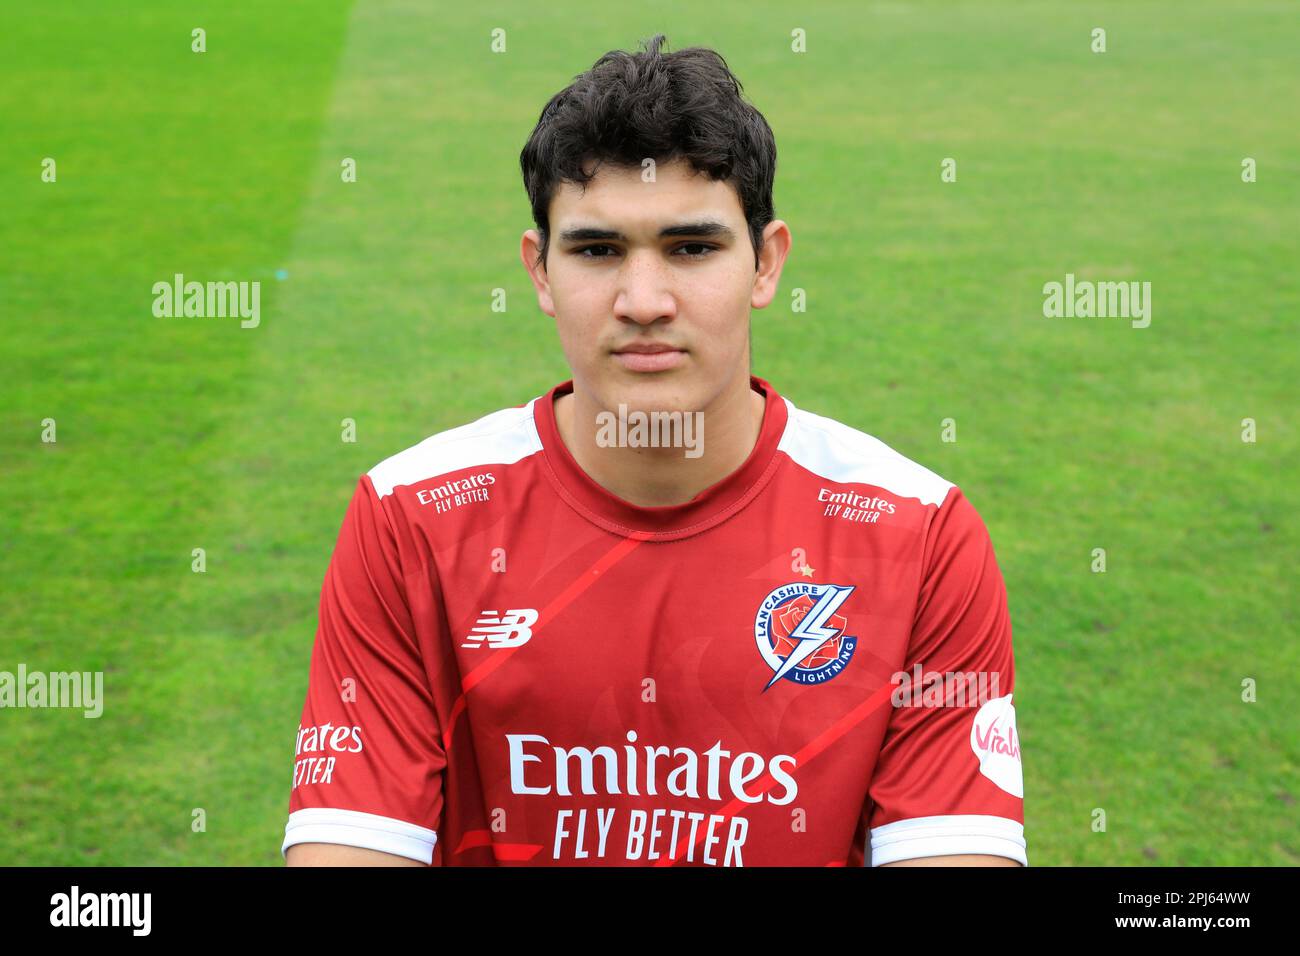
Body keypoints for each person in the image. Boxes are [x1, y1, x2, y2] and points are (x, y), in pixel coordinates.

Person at [283, 34, 1025, 867]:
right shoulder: (411, 517)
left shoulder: (917, 536)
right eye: (598, 251)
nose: (643, 301)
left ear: (767, 263)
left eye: (692, 248)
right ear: (539, 273)